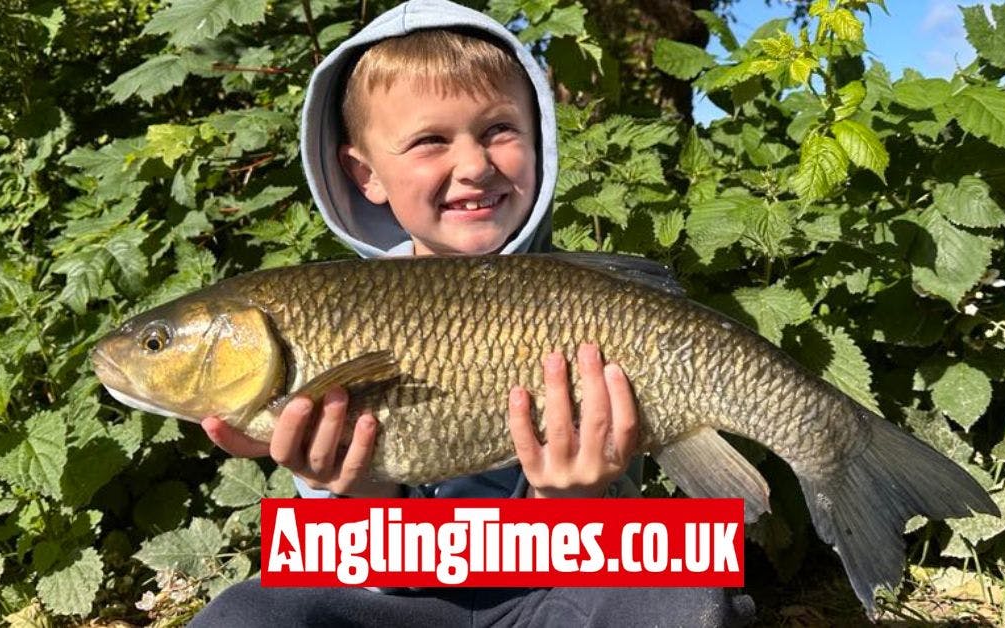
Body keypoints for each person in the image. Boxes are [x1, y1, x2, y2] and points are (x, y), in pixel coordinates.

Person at [189, 0, 753, 625]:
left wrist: (565, 503)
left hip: (562, 579)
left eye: (498, 131)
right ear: (365, 173)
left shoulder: (591, 299)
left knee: (678, 589)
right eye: (430, 140)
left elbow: (610, 540)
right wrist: (360, 489)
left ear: (540, 139)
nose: (474, 166)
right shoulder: (324, 309)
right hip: (399, 594)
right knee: (246, 613)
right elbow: (354, 564)